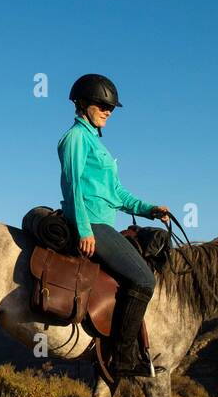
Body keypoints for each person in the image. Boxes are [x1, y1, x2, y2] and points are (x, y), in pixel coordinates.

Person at [58, 73, 171, 377]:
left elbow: (117, 193)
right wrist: (83, 229)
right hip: (92, 223)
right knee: (144, 280)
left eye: (110, 108)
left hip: (103, 222)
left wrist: (150, 209)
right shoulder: (76, 138)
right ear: (83, 104)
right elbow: (72, 187)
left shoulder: (97, 143)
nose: (107, 111)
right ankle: (122, 357)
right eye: (101, 105)